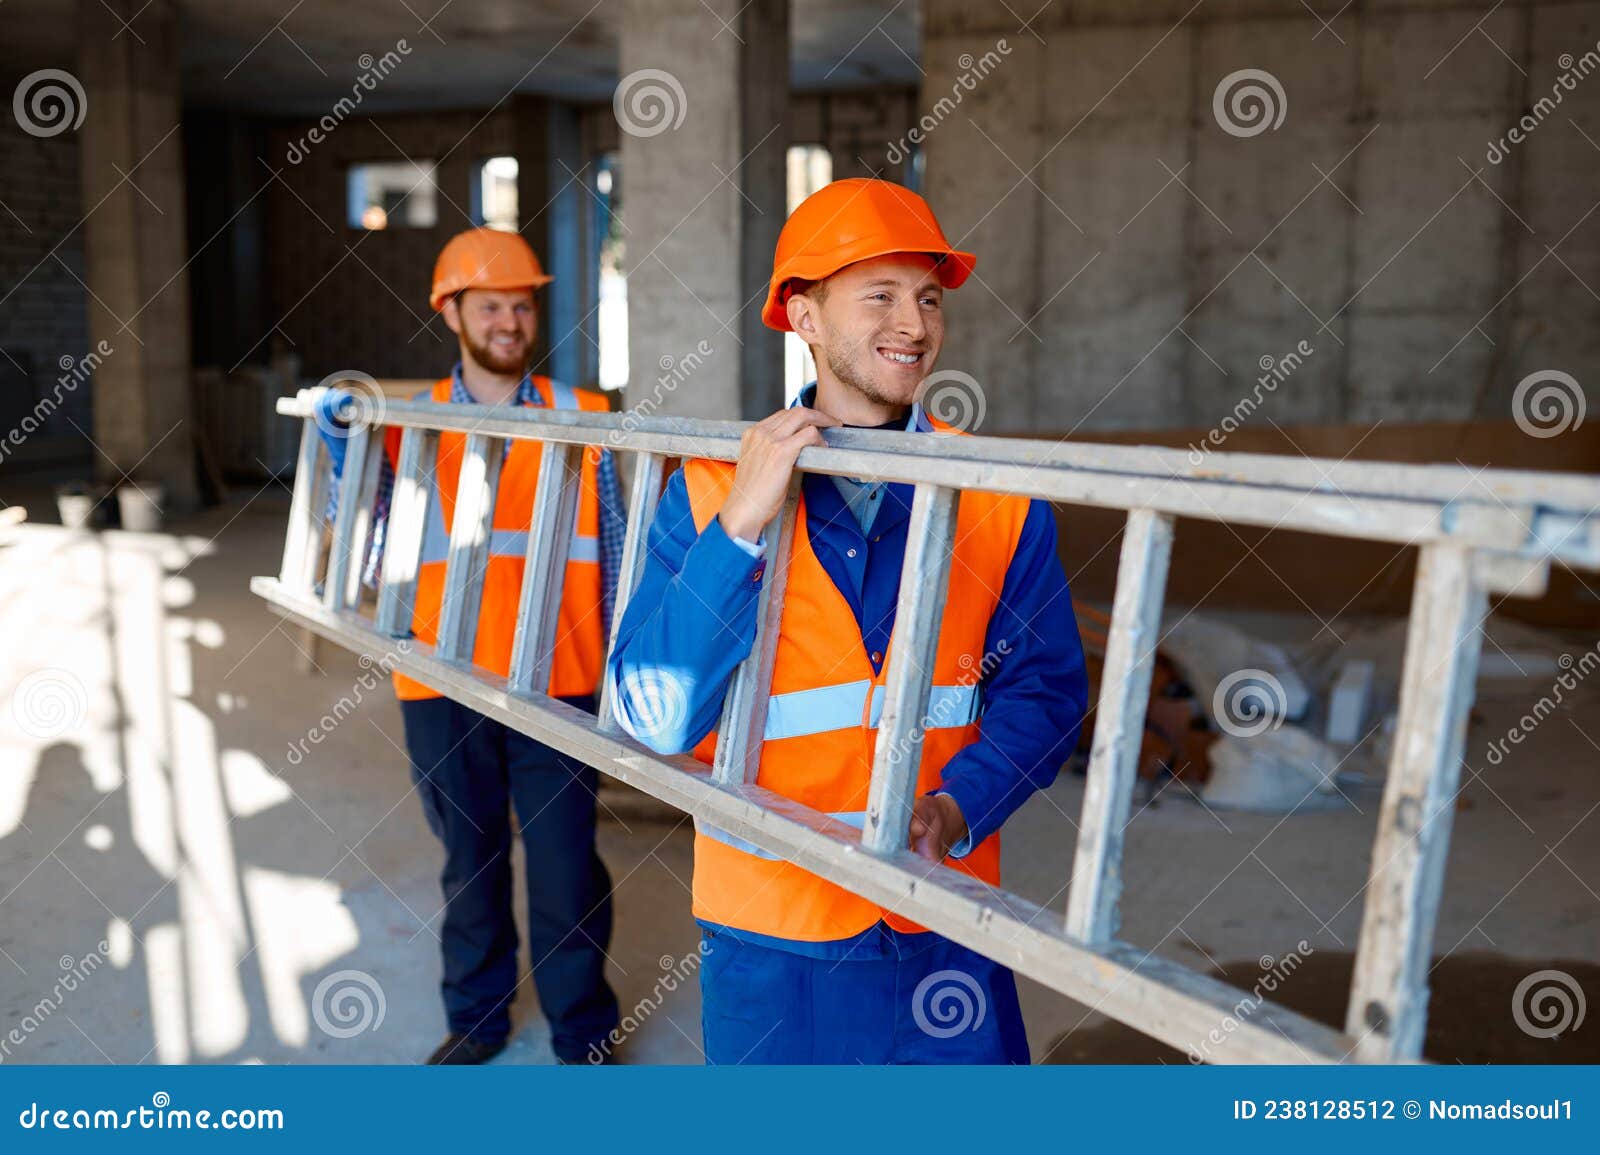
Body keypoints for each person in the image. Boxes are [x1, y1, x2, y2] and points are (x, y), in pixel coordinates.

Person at [607, 179, 1088, 1064]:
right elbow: (652, 717)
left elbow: (1046, 689)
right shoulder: (712, 490)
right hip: (772, 932)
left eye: (929, 297)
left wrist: (957, 805)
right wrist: (741, 530)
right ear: (805, 316)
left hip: (944, 912)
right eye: (881, 294)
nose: (915, 323)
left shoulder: (994, 492)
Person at [316, 227, 621, 1064]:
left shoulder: (582, 415)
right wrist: (342, 447)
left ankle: (584, 1028)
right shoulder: (412, 423)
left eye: (521, 305)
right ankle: (479, 1018)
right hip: (442, 682)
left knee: (565, 865)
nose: (510, 321)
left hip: (558, 682)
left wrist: (626, 673)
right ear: (451, 311)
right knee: (471, 860)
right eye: (490, 305)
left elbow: (618, 551)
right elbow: (366, 544)